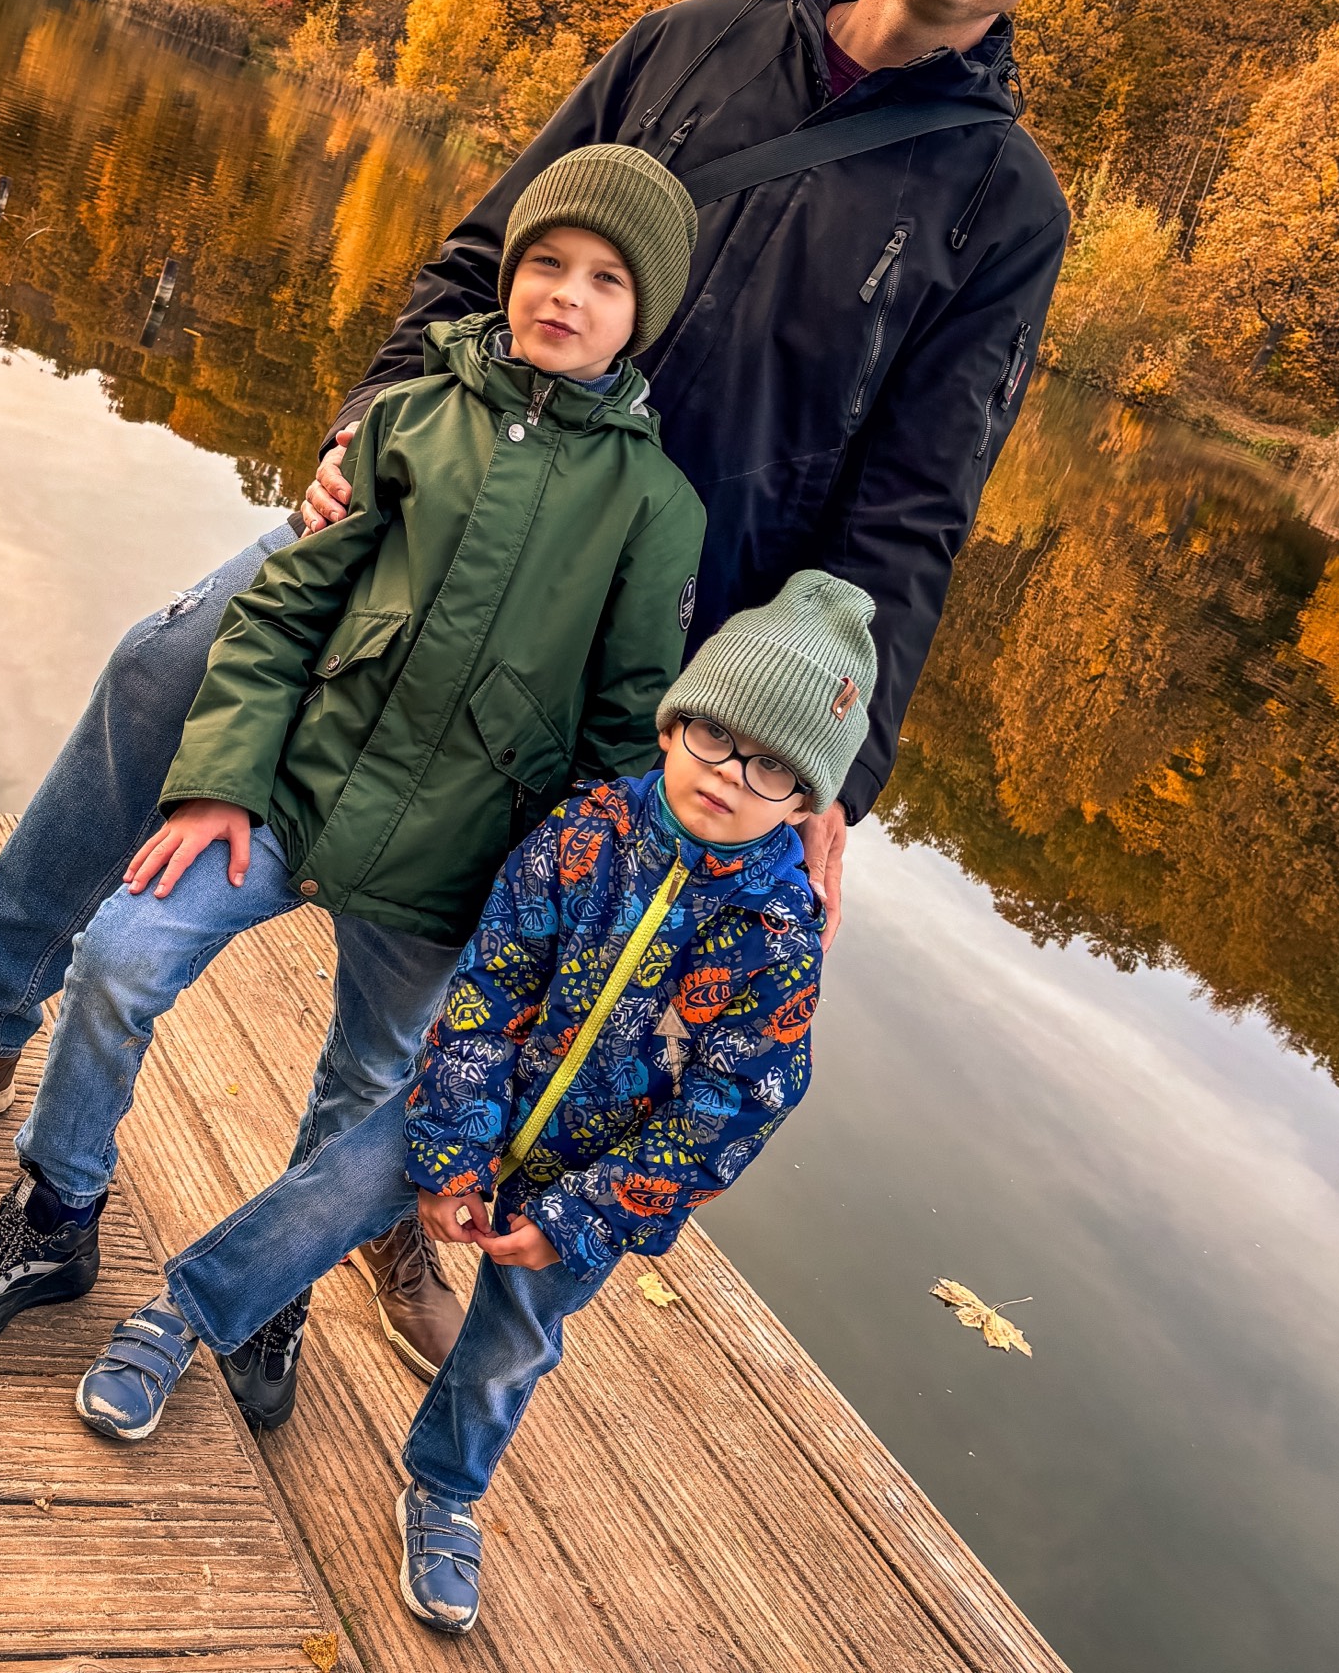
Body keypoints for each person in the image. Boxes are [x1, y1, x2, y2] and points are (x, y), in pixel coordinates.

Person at [0, 0, 1118, 1381]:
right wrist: (371, 417)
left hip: (661, 627)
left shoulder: (999, 206)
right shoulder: (687, 47)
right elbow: (483, 252)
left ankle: (384, 1199)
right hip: (445, 504)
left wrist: (832, 765)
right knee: (159, 670)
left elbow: (912, 509)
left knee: (505, 912)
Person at [0, 145, 709, 1426]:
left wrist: (550, 924)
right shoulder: (408, 420)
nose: (563, 293)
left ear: (641, 314)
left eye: (603, 279)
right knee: (117, 955)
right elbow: (276, 614)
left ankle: (273, 1288)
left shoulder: (656, 508)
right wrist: (216, 783)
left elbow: (613, 748)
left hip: (451, 874)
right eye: (543, 261)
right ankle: (56, 1212)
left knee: (370, 1086)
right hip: (294, 799)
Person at [71, 573, 877, 1637]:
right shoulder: (583, 830)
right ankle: (185, 1312)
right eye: (716, 735)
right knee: (325, 1197)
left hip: (590, 1183)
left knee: (513, 1343)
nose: (731, 772)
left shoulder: (780, 934)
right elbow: (488, 987)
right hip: (467, 1105)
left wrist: (583, 1214)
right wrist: (454, 1151)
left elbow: (730, 1109)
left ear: (806, 800)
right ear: (675, 723)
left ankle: (444, 1488)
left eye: (771, 763)